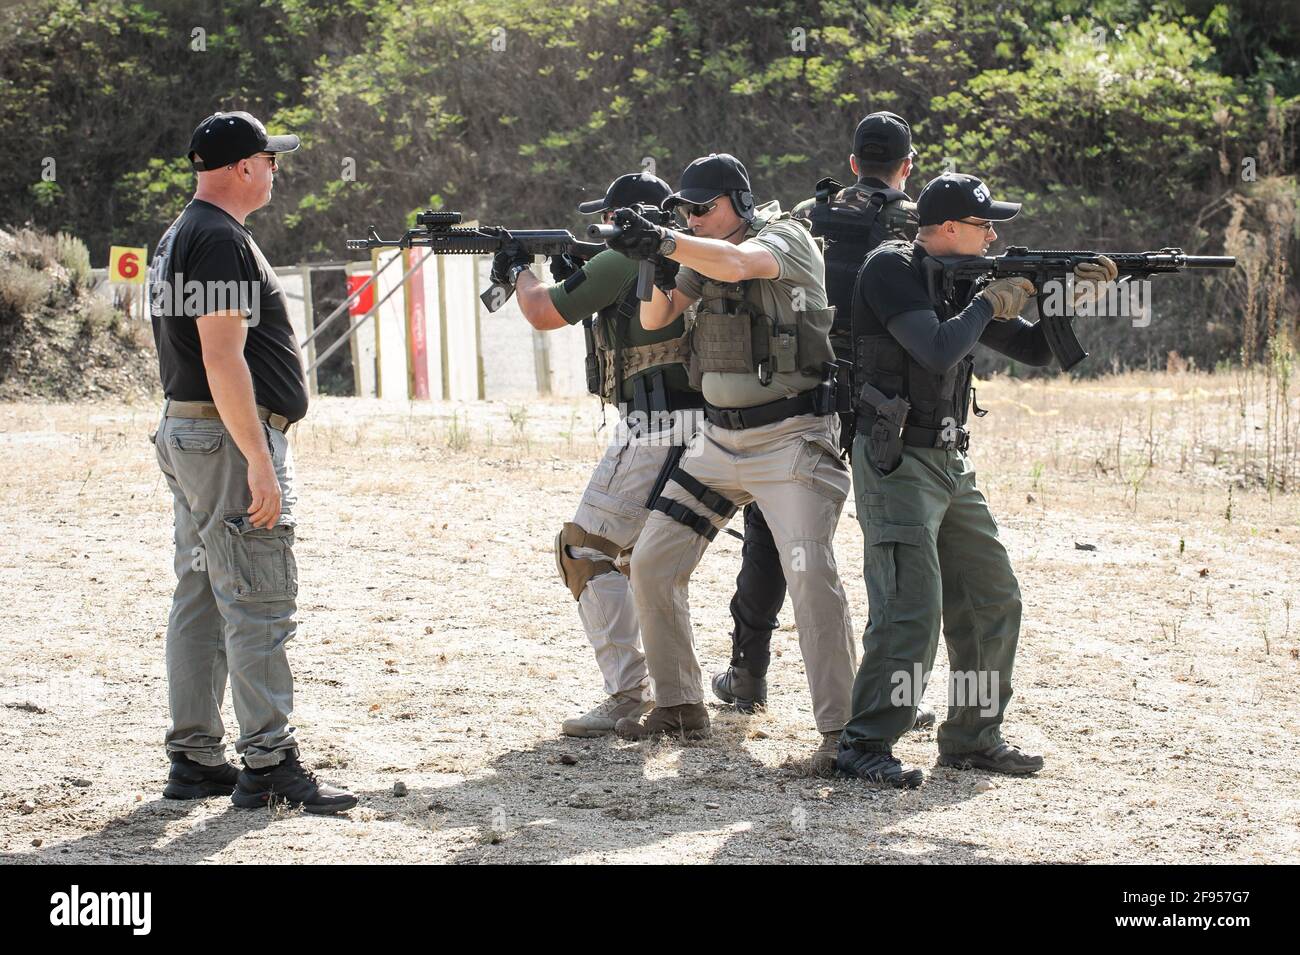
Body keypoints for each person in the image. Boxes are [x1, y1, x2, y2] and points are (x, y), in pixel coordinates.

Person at [836, 172, 1117, 787]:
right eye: (986, 226)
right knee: (912, 606)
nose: (994, 236)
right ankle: (866, 742)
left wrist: (1066, 300)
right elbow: (934, 349)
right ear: (950, 230)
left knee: (992, 596)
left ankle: (972, 737)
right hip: (895, 458)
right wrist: (989, 301)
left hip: (948, 460)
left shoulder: (958, 283)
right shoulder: (891, 270)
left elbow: (1039, 352)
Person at [608, 154, 858, 776]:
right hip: (719, 444)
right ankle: (681, 705)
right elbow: (654, 317)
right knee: (651, 562)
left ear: (739, 202)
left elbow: (743, 265)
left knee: (810, 577)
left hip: (791, 440)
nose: (693, 217)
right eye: (685, 208)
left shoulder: (785, 239)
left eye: (703, 208)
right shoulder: (703, 249)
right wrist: (651, 258)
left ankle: (845, 732)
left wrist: (668, 238)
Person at [148, 111, 355, 813]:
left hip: (190, 431)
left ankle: (196, 756)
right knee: (257, 599)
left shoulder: (183, 232)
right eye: (269, 159)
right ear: (241, 167)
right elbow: (221, 355)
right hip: (224, 438)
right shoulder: (216, 239)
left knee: (202, 593)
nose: (275, 169)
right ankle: (267, 763)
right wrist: (258, 456)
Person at [713, 110, 930, 723]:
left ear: (854, 163)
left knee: (773, 539)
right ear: (907, 166)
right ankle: (894, 692)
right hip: (892, 402)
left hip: (805, 394)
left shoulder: (809, 217)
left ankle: (748, 673)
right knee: (893, 543)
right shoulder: (920, 225)